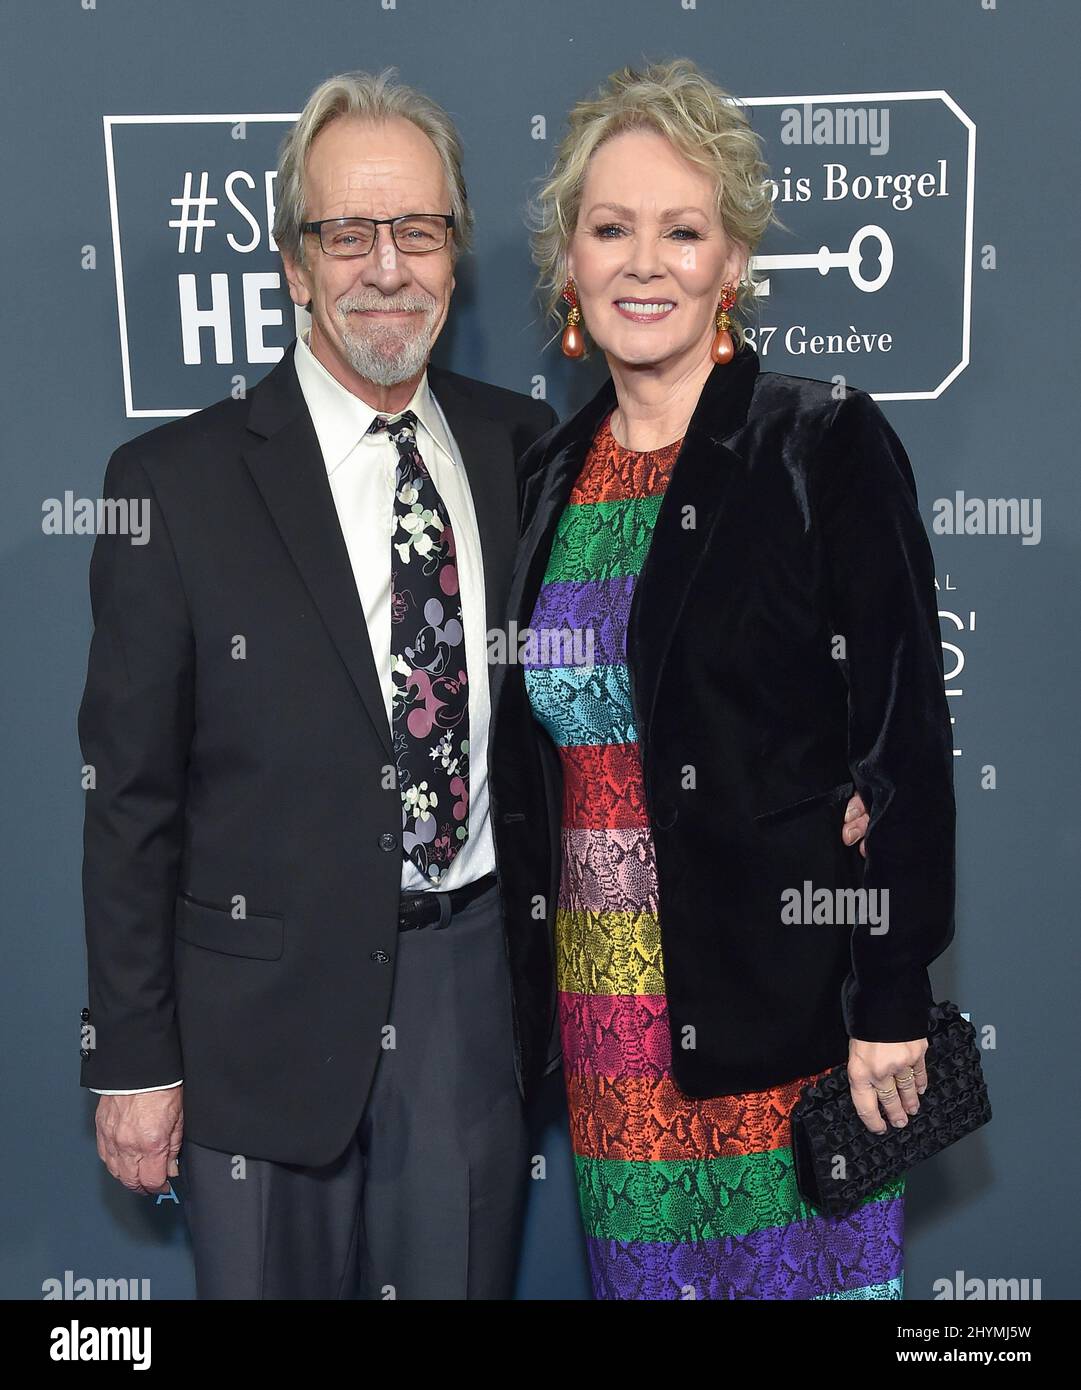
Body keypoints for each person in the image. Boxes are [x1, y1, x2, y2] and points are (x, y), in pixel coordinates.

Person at [77, 69, 560, 1300]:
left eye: (419, 231)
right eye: (348, 233)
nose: (385, 267)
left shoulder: (530, 455)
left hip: (467, 1002)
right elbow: (128, 800)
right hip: (254, 1029)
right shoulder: (171, 487)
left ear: (454, 257)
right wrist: (133, 1061)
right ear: (295, 263)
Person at [491, 59, 956, 1300]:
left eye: (682, 230)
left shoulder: (821, 441)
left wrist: (891, 993)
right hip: (609, 1033)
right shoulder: (551, 476)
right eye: (611, 228)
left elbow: (900, 742)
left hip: (785, 1011)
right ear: (571, 267)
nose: (646, 261)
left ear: (731, 261)